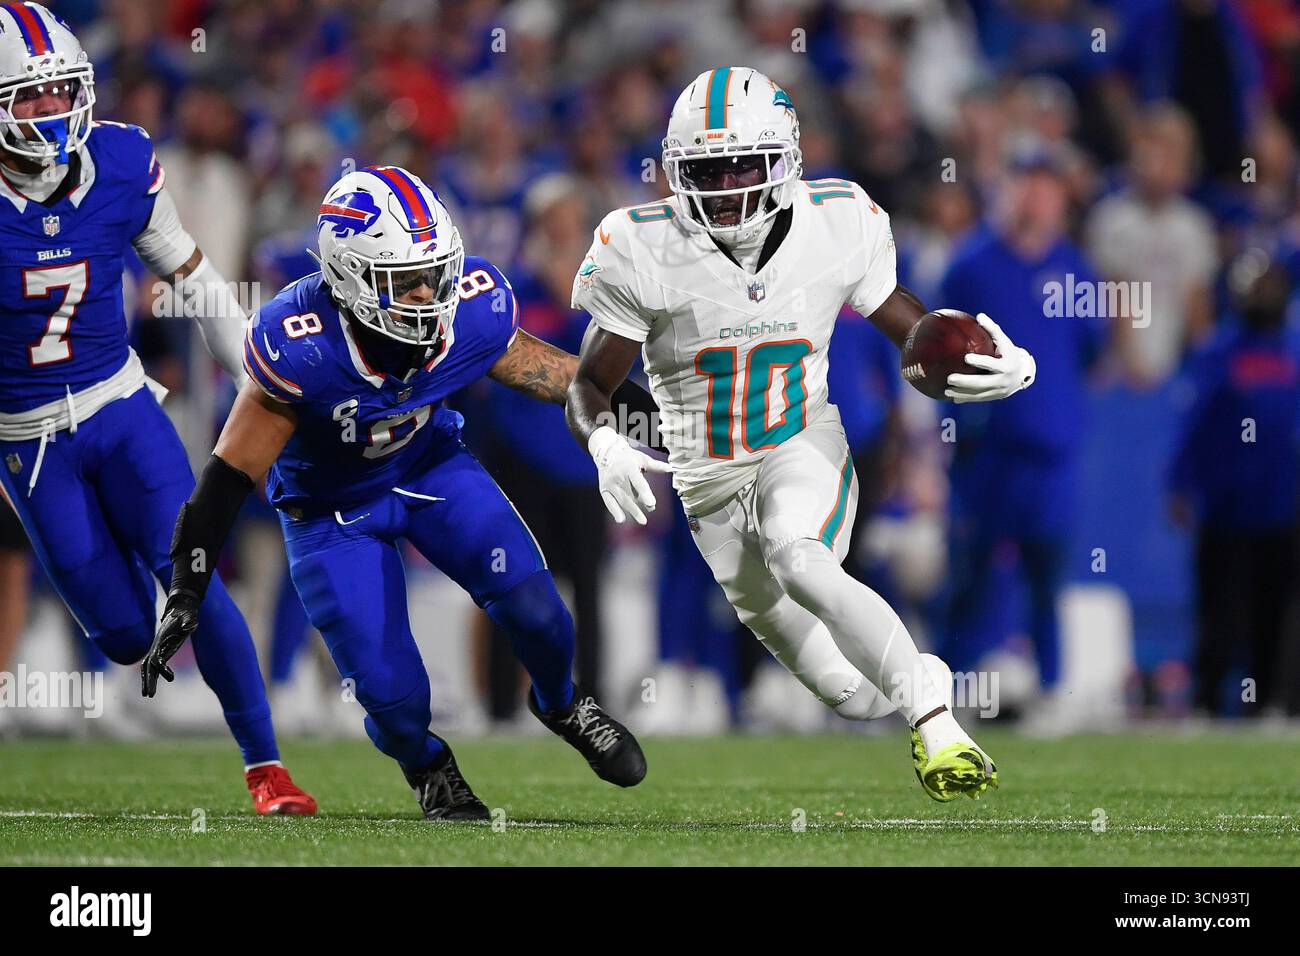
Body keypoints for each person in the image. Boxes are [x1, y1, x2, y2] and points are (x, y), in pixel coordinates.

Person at [567, 67, 1037, 802]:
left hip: (800, 441)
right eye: (704, 170)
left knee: (798, 552)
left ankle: (939, 723)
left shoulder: (838, 221)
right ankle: (922, 681)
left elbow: (913, 329)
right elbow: (590, 383)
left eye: (741, 166)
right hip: (708, 484)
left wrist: (998, 361)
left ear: (786, 160)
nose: (723, 186)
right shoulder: (639, 245)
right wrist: (602, 440)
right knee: (852, 694)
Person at [145, 166, 654, 820]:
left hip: (430, 471)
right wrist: (187, 584)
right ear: (348, 277)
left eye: (433, 274)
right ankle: (427, 764)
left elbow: (561, 376)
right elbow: (226, 478)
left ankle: (561, 702)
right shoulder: (298, 343)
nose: (425, 294)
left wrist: (667, 421)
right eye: (402, 281)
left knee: (538, 608)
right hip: (332, 513)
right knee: (392, 696)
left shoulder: (469, 309)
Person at [0, 2, 313, 812]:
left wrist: (262, 378)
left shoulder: (121, 161)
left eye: (61, 90)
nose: (50, 110)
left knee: (192, 574)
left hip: (120, 406)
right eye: (28, 97)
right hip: (29, 441)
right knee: (122, 632)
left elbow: (198, 284)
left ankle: (266, 766)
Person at [938, 145, 1106, 725]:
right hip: (988, 452)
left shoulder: (1077, 269)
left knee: (1047, 574)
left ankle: (1052, 691)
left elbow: (1093, 351)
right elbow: (936, 351)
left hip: (1051, 450)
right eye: (1028, 181)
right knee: (973, 574)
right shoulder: (974, 264)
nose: (1037, 195)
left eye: (1047, 184)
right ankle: (951, 693)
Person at [1169, 259, 1300, 716]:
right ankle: (1206, 698)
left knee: (1276, 607)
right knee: (1219, 607)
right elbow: (1193, 424)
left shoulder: (1292, 348)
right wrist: (1181, 484)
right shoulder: (1218, 352)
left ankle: (1268, 701)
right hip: (1227, 503)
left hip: (1282, 503)